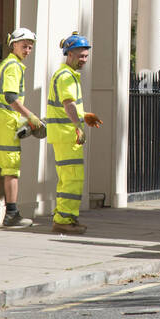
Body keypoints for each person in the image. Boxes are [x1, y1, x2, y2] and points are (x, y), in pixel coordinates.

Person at [46, 32, 103, 235]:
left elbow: (70, 106)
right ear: (69, 54)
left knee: (70, 179)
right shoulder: (66, 77)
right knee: (72, 179)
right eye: (81, 56)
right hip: (67, 134)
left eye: (86, 56)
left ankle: (66, 217)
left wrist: (84, 115)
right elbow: (68, 104)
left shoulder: (66, 75)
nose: (84, 60)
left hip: (65, 134)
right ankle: (63, 220)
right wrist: (78, 125)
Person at [0, 27, 45, 227]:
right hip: (7, 121)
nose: (28, 50)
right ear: (13, 45)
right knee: (11, 168)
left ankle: (11, 212)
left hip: (4, 119)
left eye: (30, 47)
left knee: (2, 163)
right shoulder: (13, 66)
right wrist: (30, 116)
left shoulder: (11, 64)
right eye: (24, 46)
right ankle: (11, 214)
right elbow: (11, 97)